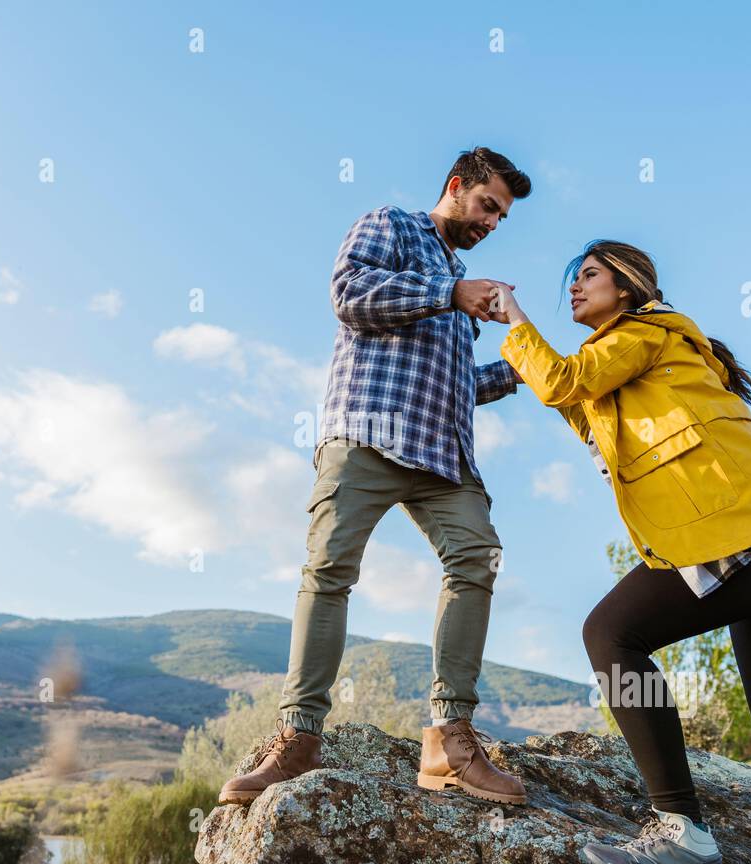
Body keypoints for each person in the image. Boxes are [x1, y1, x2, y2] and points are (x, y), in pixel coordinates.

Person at [495, 240, 751, 864]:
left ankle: (682, 831)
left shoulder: (645, 330)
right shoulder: (635, 360)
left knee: (611, 633)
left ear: (629, 286)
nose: (574, 287)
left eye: (589, 275)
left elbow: (563, 380)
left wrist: (514, 317)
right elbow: (577, 405)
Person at [217, 147, 533, 807]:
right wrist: (449, 293)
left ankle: (451, 739)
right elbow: (350, 295)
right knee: (330, 570)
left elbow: (453, 385)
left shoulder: (460, 277)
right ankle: (298, 739)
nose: (493, 223)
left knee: (476, 557)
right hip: (367, 431)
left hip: (442, 454)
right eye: (488, 207)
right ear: (456, 186)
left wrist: (514, 373)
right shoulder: (390, 224)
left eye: (501, 217)